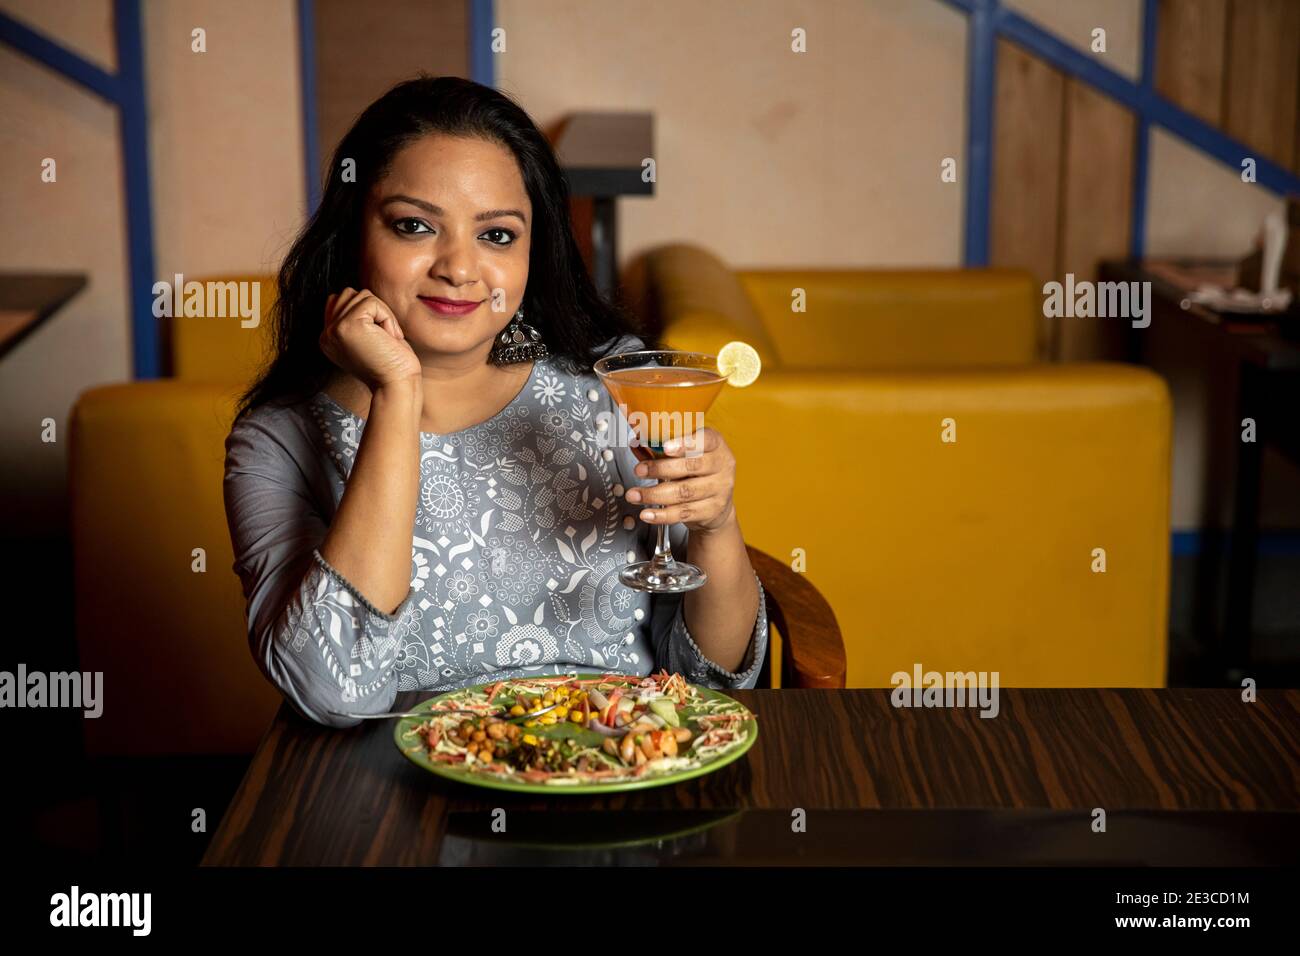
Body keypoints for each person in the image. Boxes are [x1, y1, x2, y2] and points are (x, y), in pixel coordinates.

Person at [222, 76, 767, 728]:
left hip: (616, 776)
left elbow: (710, 679)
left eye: (498, 235)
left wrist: (715, 528)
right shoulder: (279, 439)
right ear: (354, 235)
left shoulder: (614, 389)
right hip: (399, 803)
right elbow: (336, 690)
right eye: (415, 226)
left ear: (535, 251)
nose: (458, 267)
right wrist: (398, 392)